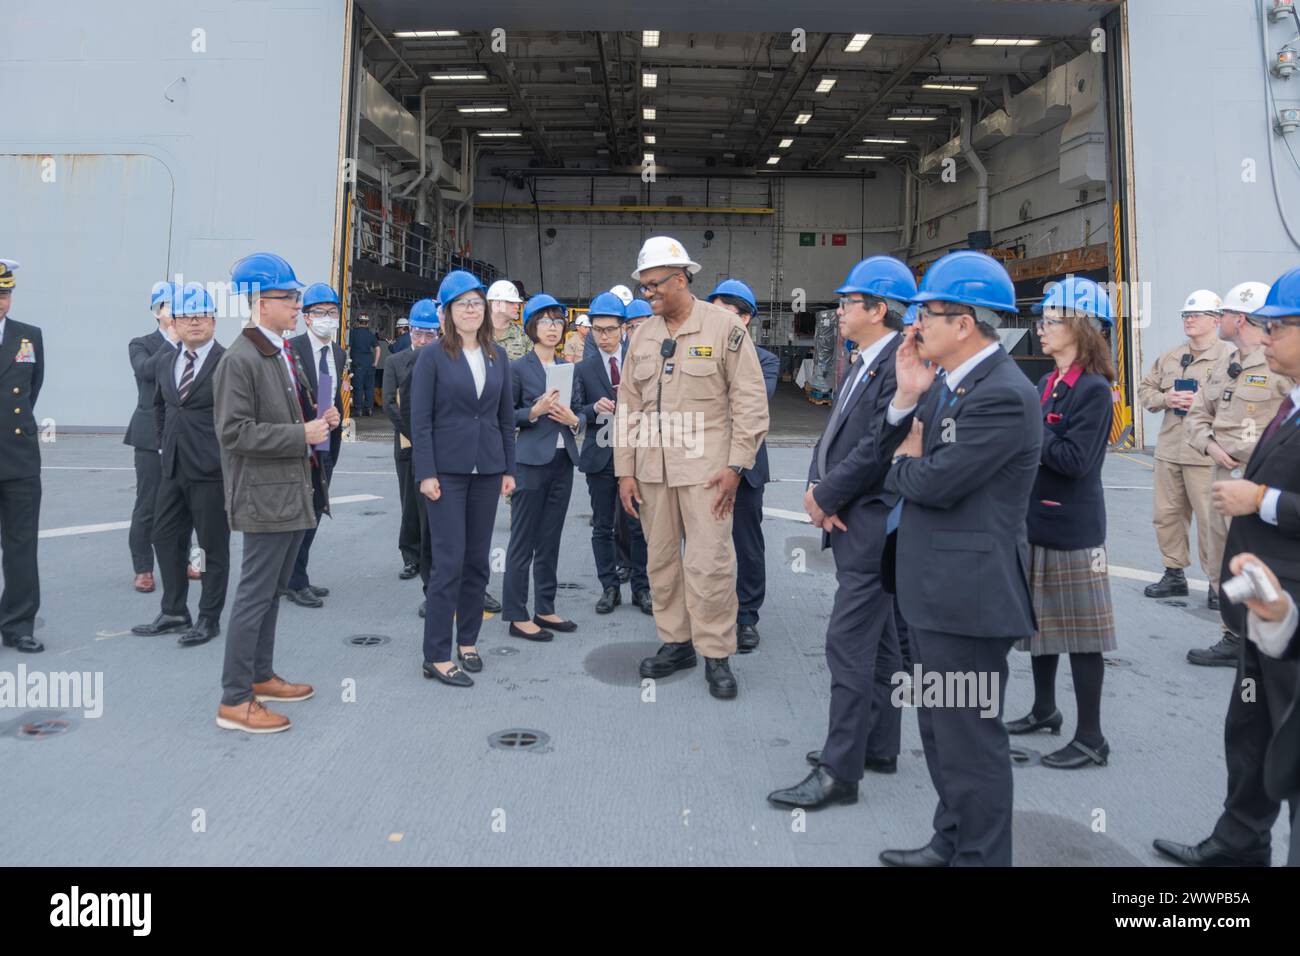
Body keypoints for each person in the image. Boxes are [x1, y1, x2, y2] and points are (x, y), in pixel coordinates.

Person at [876, 250, 1042, 867]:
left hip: (967, 600)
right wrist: (910, 404)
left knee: (971, 742)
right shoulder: (951, 383)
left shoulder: (1001, 394)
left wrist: (906, 465)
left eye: (927, 314)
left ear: (964, 323)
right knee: (941, 735)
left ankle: (979, 857)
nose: (915, 325)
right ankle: (949, 841)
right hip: (934, 592)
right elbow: (912, 456)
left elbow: (935, 482)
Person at [1154, 267, 1300, 867]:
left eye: (1278, 326)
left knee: (1293, 749)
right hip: (1262, 612)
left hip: (1291, 616)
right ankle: (1237, 845)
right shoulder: (1290, 405)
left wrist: (1259, 499)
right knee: (1251, 735)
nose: (1264, 338)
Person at [767, 256, 914, 811]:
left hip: (872, 521)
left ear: (879, 310)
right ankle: (877, 745)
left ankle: (839, 771)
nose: (840, 310)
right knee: (879, 645)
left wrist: (825, 496)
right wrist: (816, 485)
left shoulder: (900, 365)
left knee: (847, 644)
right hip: (853, 516)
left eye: (851, 302)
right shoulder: (864, 362)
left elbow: (876, 447)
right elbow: (833, 435)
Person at [616, 236, 769, 700]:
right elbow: (628, 406)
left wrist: (738, 466)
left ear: (681, 279)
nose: (648, 295)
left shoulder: (724, 328)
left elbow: (750, 402)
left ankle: (717, 654)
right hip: (652, 474)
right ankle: (676, 643)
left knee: (709, 564)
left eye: (654, 285)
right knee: (661, 561)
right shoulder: (642, 335)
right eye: (643, 288)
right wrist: (625, 470)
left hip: (709, 473)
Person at [212, 252, 333, 733]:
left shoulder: (277, 351)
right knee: (254, 595)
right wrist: (299, 435)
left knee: (271, 593)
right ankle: (235, 699)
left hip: (288, 492)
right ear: (261, 302)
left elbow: (288, 414)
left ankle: (260, 676)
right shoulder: (240, 359)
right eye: (290, 297)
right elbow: (234, 433)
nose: (298, 305)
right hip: (264, 495)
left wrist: (319, 422)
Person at [1005, 276, 1118, 770]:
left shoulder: (1093, 390)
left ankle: (1092, 736)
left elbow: (1075, 461)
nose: (1042, 328)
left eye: (1051, 321)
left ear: (1080, 327)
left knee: (1083, 635)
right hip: (1036, 520)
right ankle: (1045, 708)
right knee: (1041, 625)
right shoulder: (1048, 382)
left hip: (1073, 530)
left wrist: (1030, 433)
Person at [410, 270, 516, 687]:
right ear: (448, 313)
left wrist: (509, 468)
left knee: (477, 562)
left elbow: (505, 419)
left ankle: (468, 640)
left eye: (476, 303)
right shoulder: (433, 357)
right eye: (462, 304)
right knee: (448, 564)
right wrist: (426, 473)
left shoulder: (498, 356)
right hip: (447, 475)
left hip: (487, 472)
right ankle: (435, 654)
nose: (471, 310)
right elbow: (420, 421)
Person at [1184, 281, 1293, 665]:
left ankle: (1260, 635)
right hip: (1221, 475)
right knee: (1221, 555)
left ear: (1238, 317)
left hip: (1258, 480)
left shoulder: (1280, 369)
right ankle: (1232, 633)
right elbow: (1197, 414)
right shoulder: (1225, 365)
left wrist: (1247, 457)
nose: (1218, 319)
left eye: (1223, 313)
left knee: (1257, 560)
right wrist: (1211, 445)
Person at [132, 283, 229, 647]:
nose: (194, 323)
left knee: (208, 548)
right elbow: (159, 407)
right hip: (172, 468)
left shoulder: (227, 362)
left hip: (211, 472)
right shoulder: (167, 359)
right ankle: (174, 610)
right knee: (165, 536)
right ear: (175, 320)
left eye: (201, 316)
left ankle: (208, 617)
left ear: (214, 322)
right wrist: (163, 445)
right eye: (187, 316)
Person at [1136, 290, 1230, 603]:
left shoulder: (1230, 359)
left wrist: (1204, 403)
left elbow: (1239, 407)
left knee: (1211, 522)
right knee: (1167, 515)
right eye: (1186, 315)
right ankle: (1173, 573)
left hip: (1205, 453)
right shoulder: (1171, 357)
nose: (1189, 319)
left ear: (1215, 320)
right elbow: (1146, 389)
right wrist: (1167, 398)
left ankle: (1219, 584)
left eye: (1197, 314)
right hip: (1169, 449)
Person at [503, 294, 581, 642]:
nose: (553, 328)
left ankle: (545, 607)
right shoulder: (518, 369)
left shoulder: (568, 367)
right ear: (532, 327)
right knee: (523, 540)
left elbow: (580, 410)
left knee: (550, 539)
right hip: (530, 462)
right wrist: (533, 413)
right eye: (546, 322)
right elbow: (504, 415)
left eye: (558, 322)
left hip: (563, 461)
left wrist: (574, 418)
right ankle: (517, 615)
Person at [706, 278, 778, 652]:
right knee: (704, 545)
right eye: (713, 310)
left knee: (747, 544)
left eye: (727, 312)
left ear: (745, 319)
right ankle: (709, 612)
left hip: (746, 470)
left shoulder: (765, 360)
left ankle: (747, 615)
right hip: (703, 466)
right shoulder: (698, 353)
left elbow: (751, 403)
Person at [572, 293, 653, 615]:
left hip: (636, 454)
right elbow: (575, 411)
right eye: (597, 329)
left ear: (623, 328)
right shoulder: (584, 368)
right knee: (602, 526)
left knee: (637, 526)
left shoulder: (642, 363)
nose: (603, 336)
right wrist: (593, 409)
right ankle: (609, 587)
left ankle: (642, 588)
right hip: (601, 454)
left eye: (609, 329)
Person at [283, 283, 346, 608]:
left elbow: (330, 395)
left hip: (326, 441)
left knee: (316, 509)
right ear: (306, 318)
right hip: (300, 440)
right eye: (319, 313)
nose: (326, 318)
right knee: (299, 513)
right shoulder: (290, 349)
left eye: (332, 312)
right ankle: (294, 580)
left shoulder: (337, 352)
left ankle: (296, 573)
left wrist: (334, 417)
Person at [0, 258, 44, 654]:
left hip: (19, 459)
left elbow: (32, 390)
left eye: (5, 294)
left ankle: (18, 624)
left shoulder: (29, 336)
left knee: (21, 545)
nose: (0, 301)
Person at [125, 281, 179, 593]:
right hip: (150, 434)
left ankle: (183, 559)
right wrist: (170, 342)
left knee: (184, 504)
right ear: (157, 312)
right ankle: (143, 567)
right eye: (169, 306)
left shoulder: (192, 342)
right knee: (148, 503)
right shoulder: (141, 343)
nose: (175, 314)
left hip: (183, 433)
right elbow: (145, 371)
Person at [389, 301, 440, 617]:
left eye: (429, 333)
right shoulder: (397, 361)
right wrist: (415, 434)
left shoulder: (443, 360)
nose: (423, 339)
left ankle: (428, 561)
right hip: (408, 443)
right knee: (410, 502)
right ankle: (411, 556)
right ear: (410, 332)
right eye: (419, 333)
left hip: (434, 446)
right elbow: (393, 406)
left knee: (430, 512)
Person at [487, 278, 532, 361]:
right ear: (496, 303)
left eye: (518, 303)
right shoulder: (475, 333)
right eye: (511, 302)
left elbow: (531, 368)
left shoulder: (524, 334)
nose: (517, 306)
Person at [348, 312, 379, 416]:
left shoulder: (353, 333)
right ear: (367, 323)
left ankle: (358, 410)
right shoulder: (371, 335)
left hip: (358, 363)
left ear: (358, 322)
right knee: (369, 387)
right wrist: (375, 362)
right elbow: (378, 349)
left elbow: (349, 348)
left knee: (358, 387)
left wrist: (347, 361)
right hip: (369, 363)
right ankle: (369, 409)